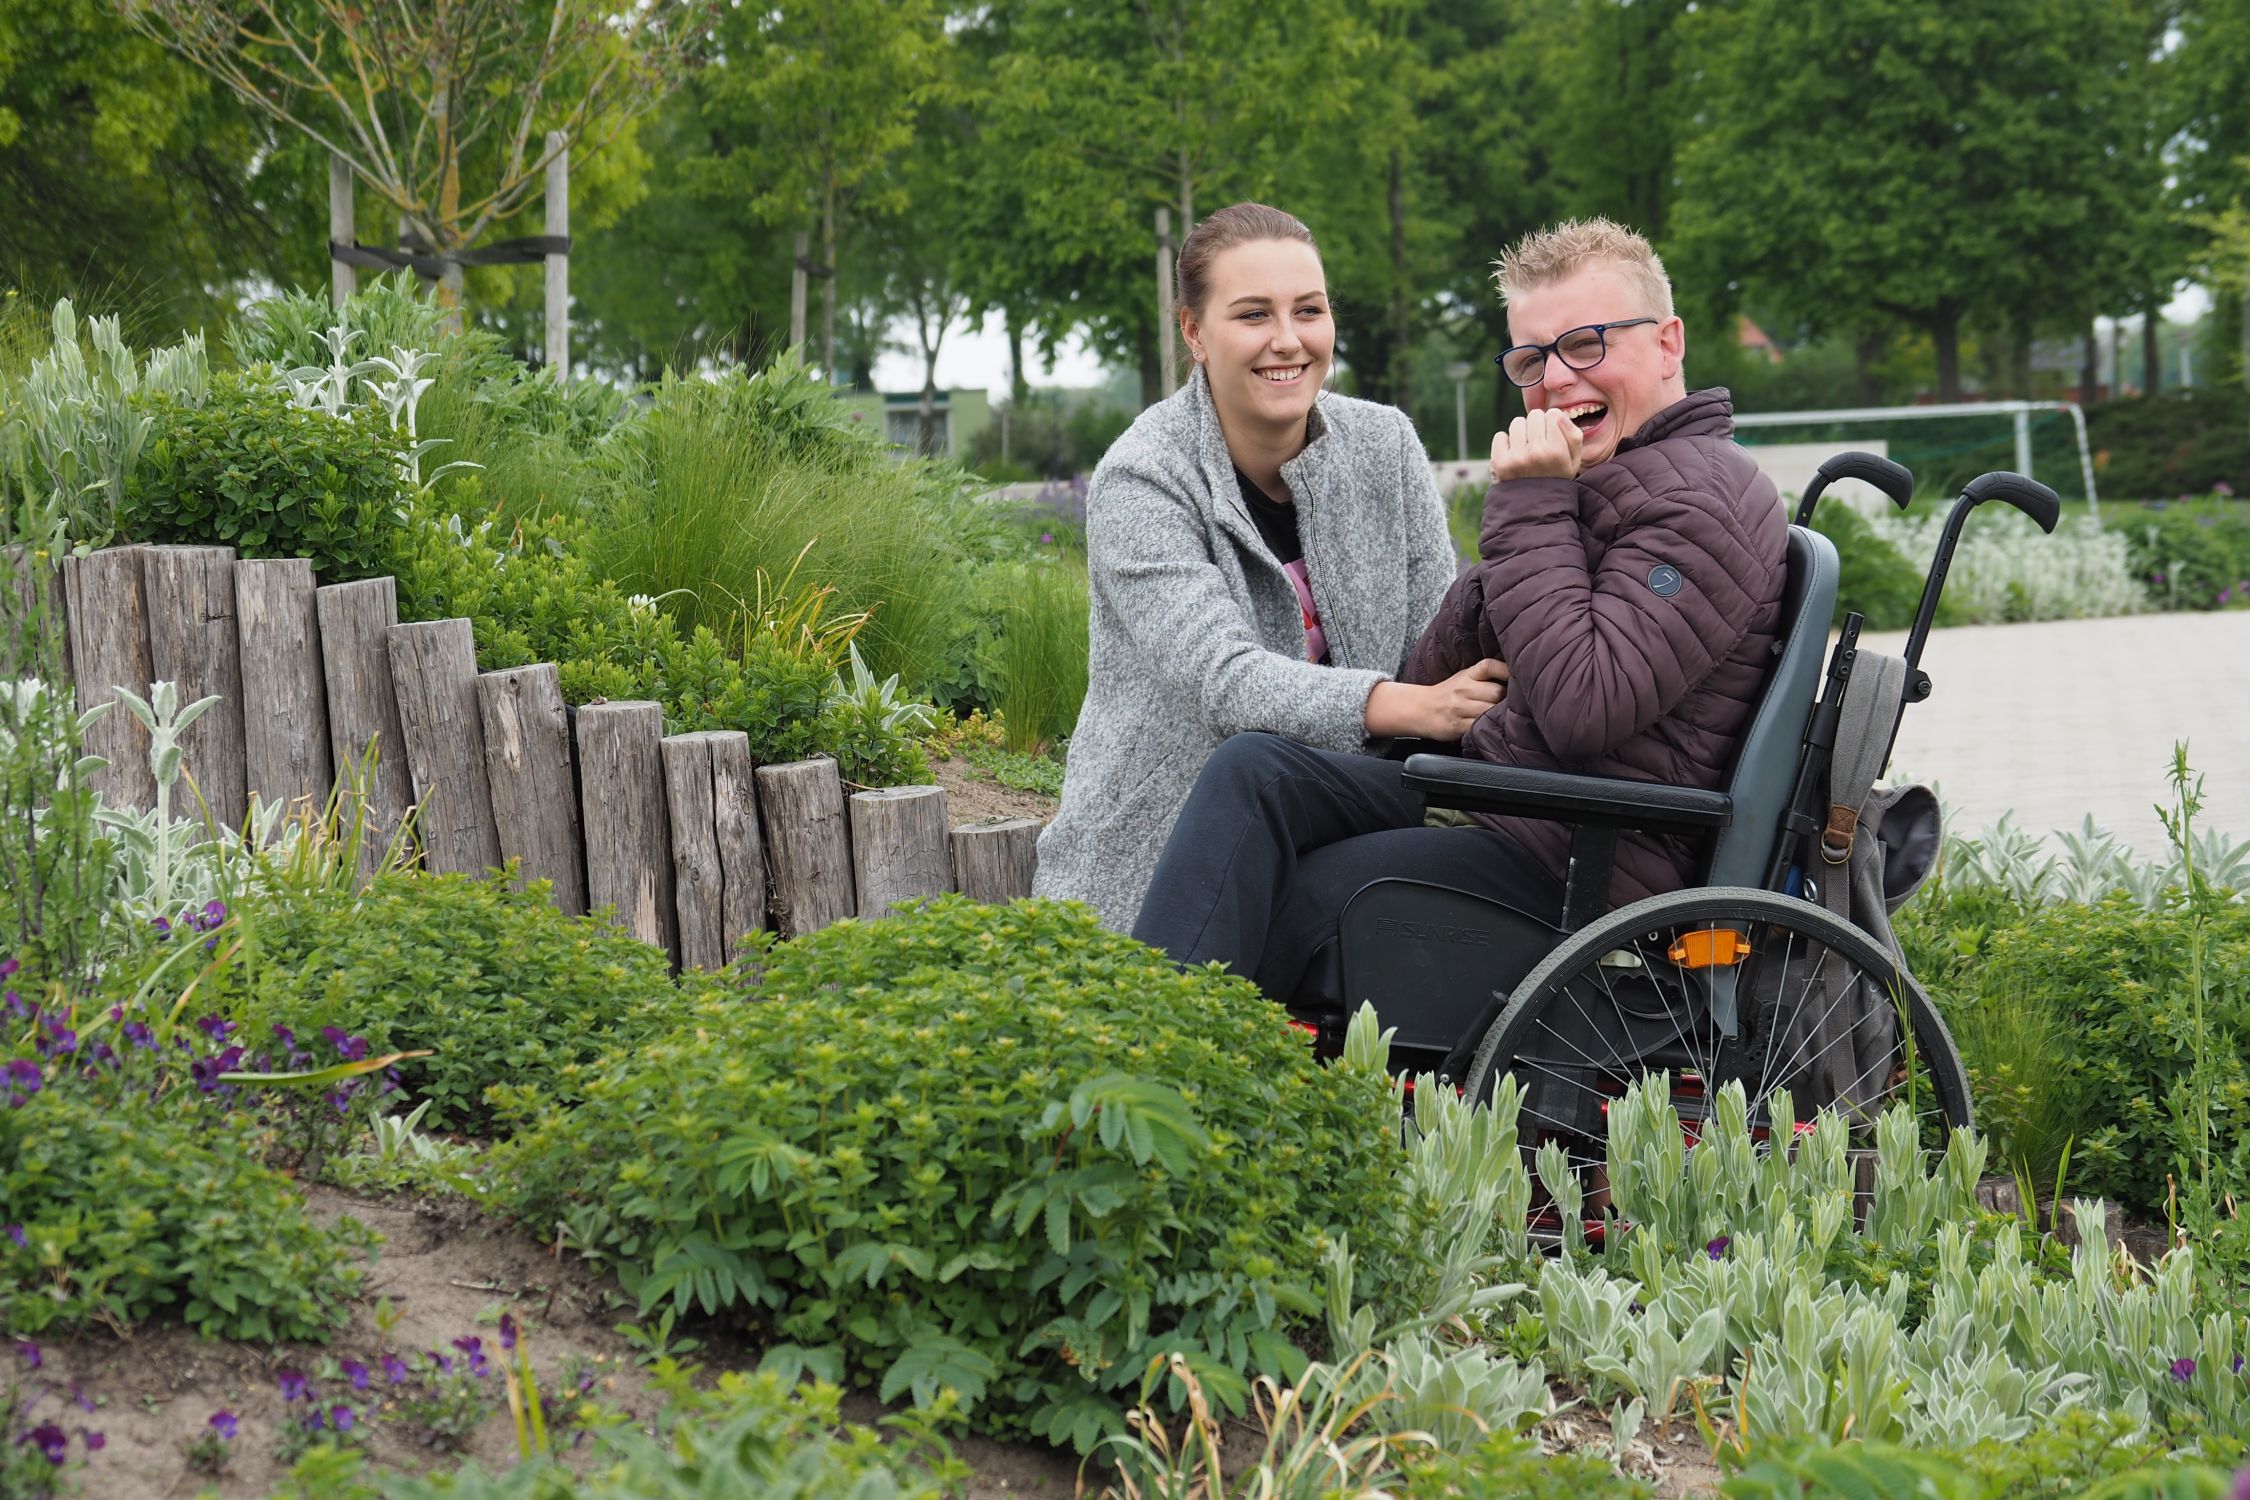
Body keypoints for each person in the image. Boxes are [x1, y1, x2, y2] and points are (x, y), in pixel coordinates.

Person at [1130, 217, 1788, 998]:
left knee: (1302, 900)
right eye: (1533, 358)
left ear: (1669, 343)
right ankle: (1151, 1044)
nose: (1560, 379)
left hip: (1583, 855)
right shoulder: (1607, 479)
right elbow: (1434, 667)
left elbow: (1585, 704)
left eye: (1588, 344)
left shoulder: (1705, 501)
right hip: (1506, 799)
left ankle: (1160, 1078)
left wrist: (1532, 502)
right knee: (1256, 771)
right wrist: (1536, 527)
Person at [1034, 202, 1501, 933]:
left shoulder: (1385, 446)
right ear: (1194, 332)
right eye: (1253, 315)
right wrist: (1413, 704)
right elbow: (1224, 679)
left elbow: (1436, 639)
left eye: (1307, 310)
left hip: (1345, 832)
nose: (1288, 341)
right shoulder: (1145, 478)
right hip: (1165, 858)